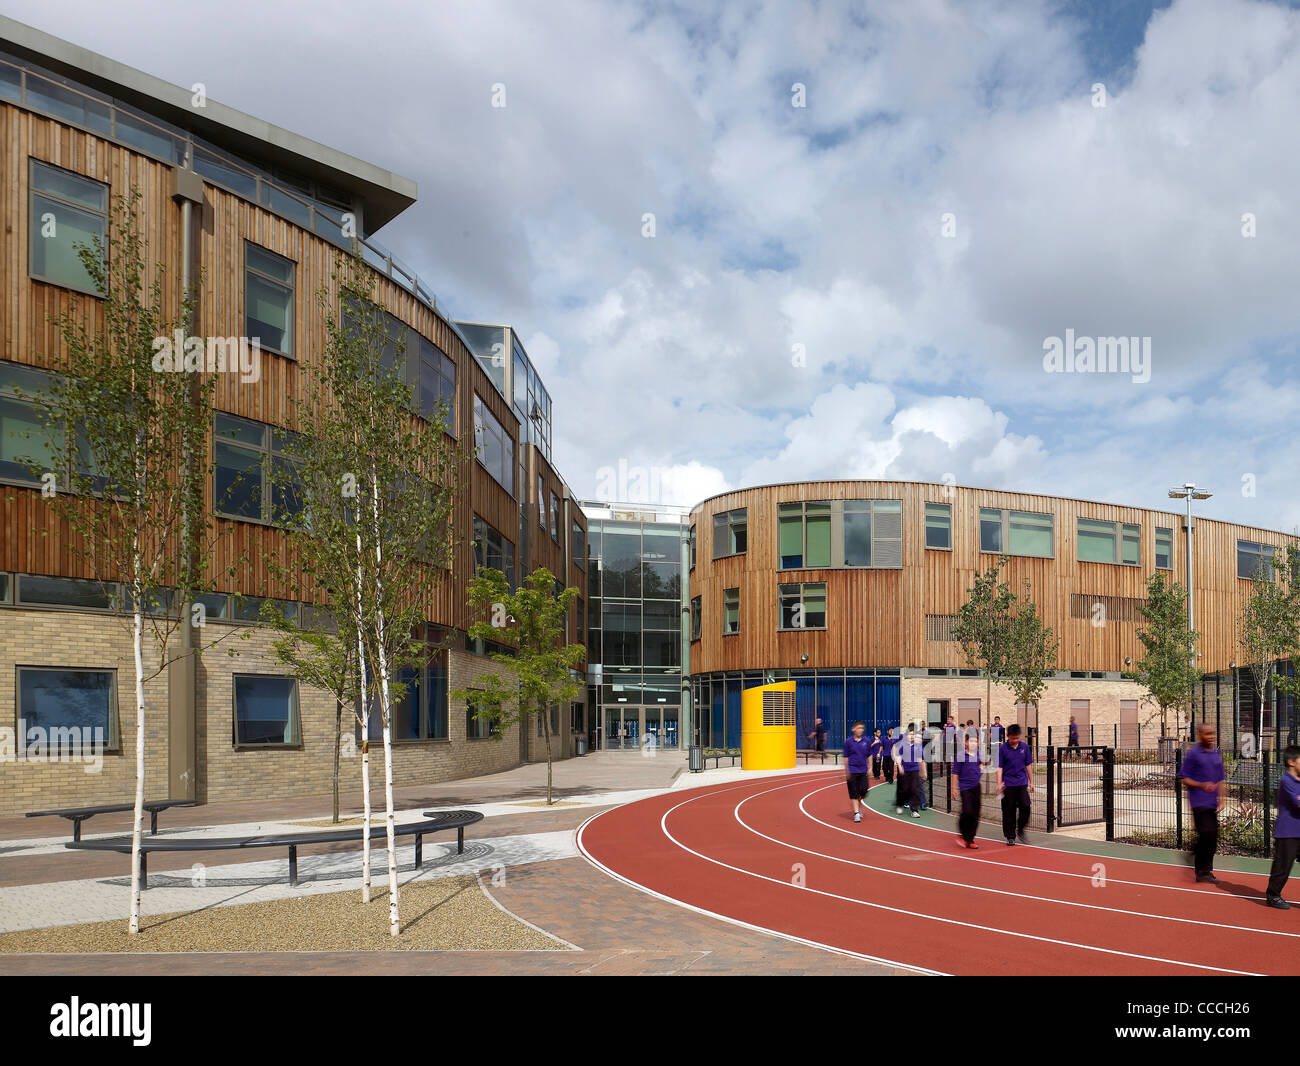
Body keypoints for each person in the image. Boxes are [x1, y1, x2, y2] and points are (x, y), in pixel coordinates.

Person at [1180, 723, 1226, 884]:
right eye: (1207, 734)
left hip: (1212, 802)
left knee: (1212, 836)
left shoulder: (1216, 754)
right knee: (1207, 832)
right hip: (1198, 801)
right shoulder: (1193, 754)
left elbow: (1221, 778)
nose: (1211, 736)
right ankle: (1200, 868)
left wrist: (1222, 798)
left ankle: (1205, 870)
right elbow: (1184, 778)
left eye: (1213, 733)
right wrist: (1201, 785)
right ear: (1200, 735)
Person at [1266, 745, 1300, 909]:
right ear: (1291, 762)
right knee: (1283, 867)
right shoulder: (1287, 781)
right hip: (1287, 832)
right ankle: (1273, 895)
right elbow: (1298, 803)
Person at [996, 723, 1034, 845]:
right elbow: (1000, 768)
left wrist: (1031, 782)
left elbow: (1028, 765)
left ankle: (1021, 829)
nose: (1015, 740)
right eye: (1013, 738)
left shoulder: (1024, 747)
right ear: (1008, 736)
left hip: (1022, 782)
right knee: (1008, 810)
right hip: (1008, 784)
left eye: (1017, 738)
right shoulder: (1003, 748)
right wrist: (999, 783)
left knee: (1026, 806)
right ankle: (1010, 836)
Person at [951, 730, 986, 849]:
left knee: (975, 813)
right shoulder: (961, 756)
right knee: (967, 811)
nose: (973, 743)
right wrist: (954, 788)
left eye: (975, 741)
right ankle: (962, 834)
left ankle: (970, 838)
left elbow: (982, 764)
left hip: (976, 786)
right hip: (965, 787)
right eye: (971, 741)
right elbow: (955, 773)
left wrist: (979, 770)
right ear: (966, 742)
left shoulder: (978, 754)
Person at [843, 720, 872, 823]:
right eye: (859, 728)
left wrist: (870, 768)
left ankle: (858, 805)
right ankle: (856, 813)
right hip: (852, 770)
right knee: (854, 793)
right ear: (853, 729)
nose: (861, 730)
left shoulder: (867, 741)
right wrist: (847, 770)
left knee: (864, 791)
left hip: (863, 770)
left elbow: (869, 755)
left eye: (862, 728)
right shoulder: (848, 742)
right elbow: (846, 757)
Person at [896, 725, 925, 818]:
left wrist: (923, 772)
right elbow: (898, 756)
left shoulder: (918, 746)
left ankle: (914, 810)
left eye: (913, 735)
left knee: (914, 789)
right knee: (904, 789)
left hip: (914, 770)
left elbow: (921, 760)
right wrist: (900, 766)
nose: (912, 736)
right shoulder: (903, 745)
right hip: (905, 771)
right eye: (910, 734)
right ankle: (900, 804)